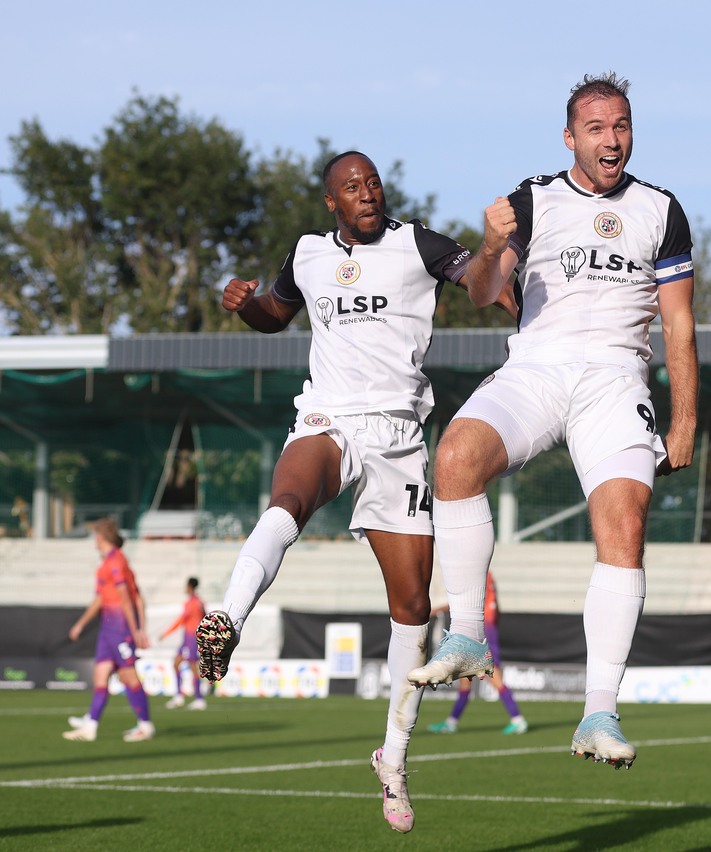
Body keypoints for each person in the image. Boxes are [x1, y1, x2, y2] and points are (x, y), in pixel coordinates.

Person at [194, 151, 515, 834]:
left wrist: (500, 267)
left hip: (399, 440)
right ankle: (227, 618)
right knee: (289, 500)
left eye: (371, 183)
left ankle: (392, 759)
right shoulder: (307, 255)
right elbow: (274, 316)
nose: (365, 193)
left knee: (411, 610)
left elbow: (480, 284)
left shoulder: (417, 243)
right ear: (332, 203)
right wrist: (248, 303)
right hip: (329, 418)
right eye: (351, 187)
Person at [408, 72, 699, 771]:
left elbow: (680, 326)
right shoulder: (531, 200)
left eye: (621, 125)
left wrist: (685, 421)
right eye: (597, 128)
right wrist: (486, 245)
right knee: (454, 458)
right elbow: (482, 294)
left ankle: (599, 711)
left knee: (626, 525)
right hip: (536, 365)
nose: (612, 138)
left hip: (616, 377)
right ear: (571, 138)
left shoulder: (662, 210)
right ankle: (468, 637)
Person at [63, 517, 156, 742]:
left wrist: (136, 630)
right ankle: (90, 727)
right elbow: (100, 600)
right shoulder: (105, 565)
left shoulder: (116, 562)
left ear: (100, 537)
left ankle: (145, 725)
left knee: (128, 676)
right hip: (107, 629)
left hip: (120, 628)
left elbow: (128, 597)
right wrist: (81, 624)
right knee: (101, 675)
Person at [427, 571, 526, 734]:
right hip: (487, 626)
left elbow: (465, 602)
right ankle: (451, 722)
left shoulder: (476, 572)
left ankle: (518, 719)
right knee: (465, 678)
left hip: (480, 627)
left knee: (492, 676)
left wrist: (435, 610)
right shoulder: (487, 573)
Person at [160, 576, 207, 710]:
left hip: (191, 637)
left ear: (190, 586)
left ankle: (199, 698)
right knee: (176, 663)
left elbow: (181, 620)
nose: (185, 588)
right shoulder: (199, 602)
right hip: (189, 637)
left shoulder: (192, 603)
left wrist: (166, 633)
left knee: (192, 665)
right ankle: (179, 696)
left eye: (186, 586)